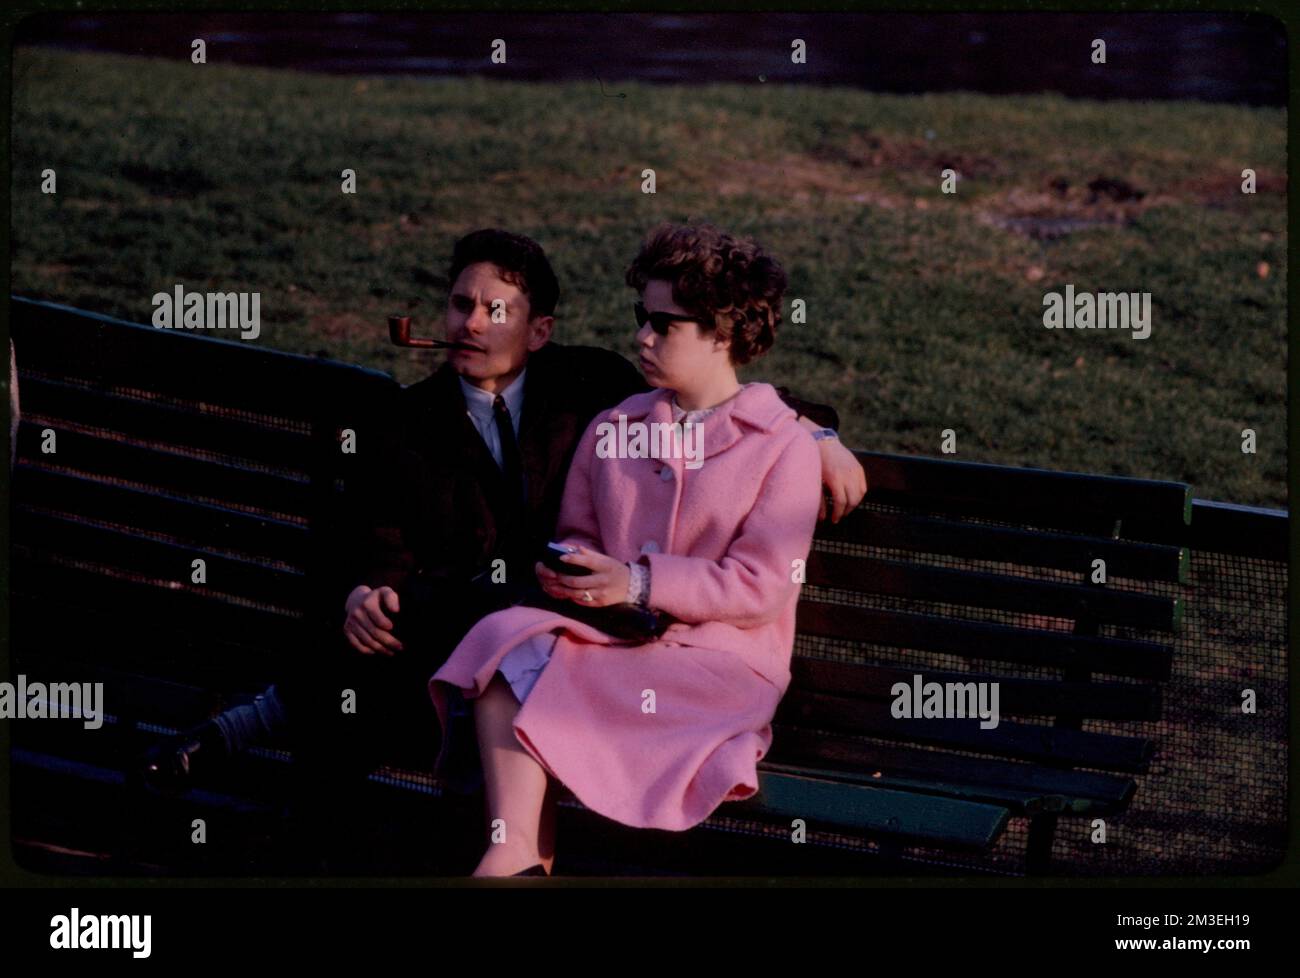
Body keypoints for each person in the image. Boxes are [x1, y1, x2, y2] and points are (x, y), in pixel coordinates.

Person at [140, 229, 866, 855]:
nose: (472, 325)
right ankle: (311, 811)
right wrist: (365, 589)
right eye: (460, 305)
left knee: (476, 639)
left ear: (539, 329)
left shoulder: (592, 387)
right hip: (485, 612)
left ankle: (263, 738)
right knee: (421, 635)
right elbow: (376, 531)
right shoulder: (407, 420)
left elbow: (718, 394)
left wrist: (817, 433)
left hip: (575, 614)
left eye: (497, 311)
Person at [430, 222, 826, 877]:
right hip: (616, 640)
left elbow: (762, 587)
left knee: (547, 674)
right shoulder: (616, 426)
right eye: (643, 317)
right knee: (506, 640)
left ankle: (525, 858)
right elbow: (581, 536)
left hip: (719, 665)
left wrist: (639, 583)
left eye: (665, 325)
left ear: (722, 335)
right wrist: (577, 576)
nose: (643, 336)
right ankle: (515, 849)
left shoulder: (782, 446)